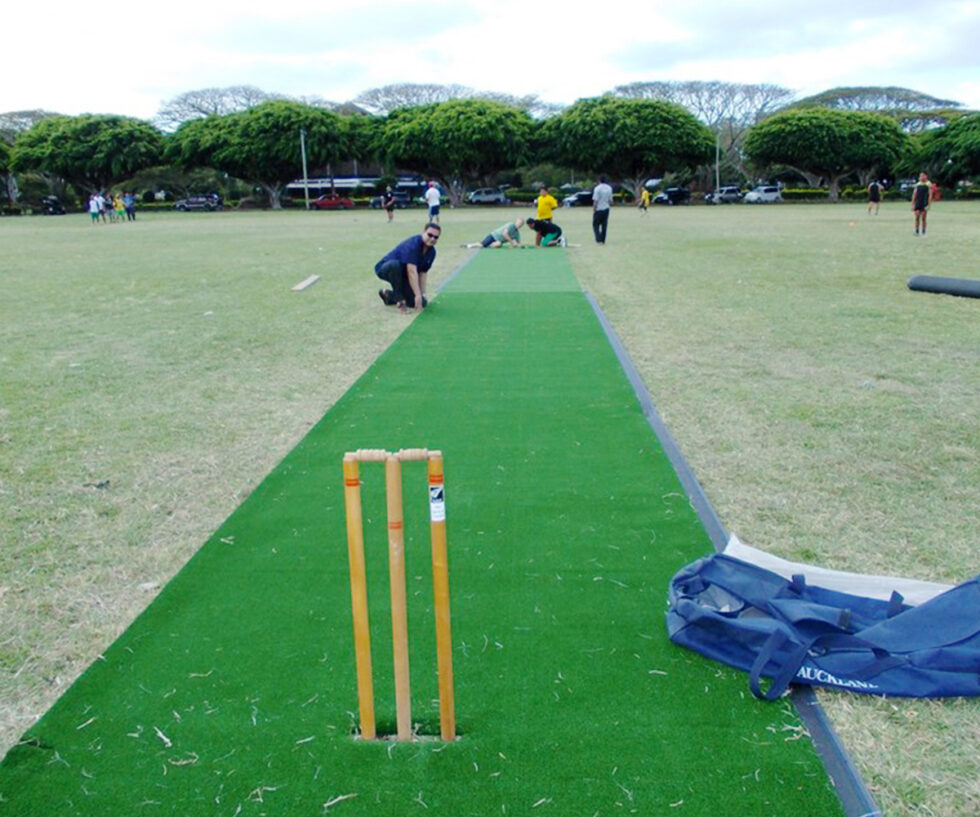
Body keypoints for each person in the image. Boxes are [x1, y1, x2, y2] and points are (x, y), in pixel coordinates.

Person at [375, 223, 440, 311]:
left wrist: (422, 294)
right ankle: (400, 301)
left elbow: (423, 273)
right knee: (395, 266)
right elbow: (411, 271)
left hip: (403, 273)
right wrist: (417, 294)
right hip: (386, 268)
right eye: (430, 235)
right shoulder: (413, 245)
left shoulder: (432, 252)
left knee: (419, 302)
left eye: (436, 237)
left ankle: (388, 295)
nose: (432, 239)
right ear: (424, 232)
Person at [592, 175, 613, 244]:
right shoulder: (609, 188)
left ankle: (598, 239)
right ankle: (603, 239)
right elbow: (611, 201)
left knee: (596, 224)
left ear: (599, 181)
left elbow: (595, 201)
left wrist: (594, 209)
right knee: (604, 225)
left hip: (599, 209)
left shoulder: (597, 188)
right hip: (606, 208)